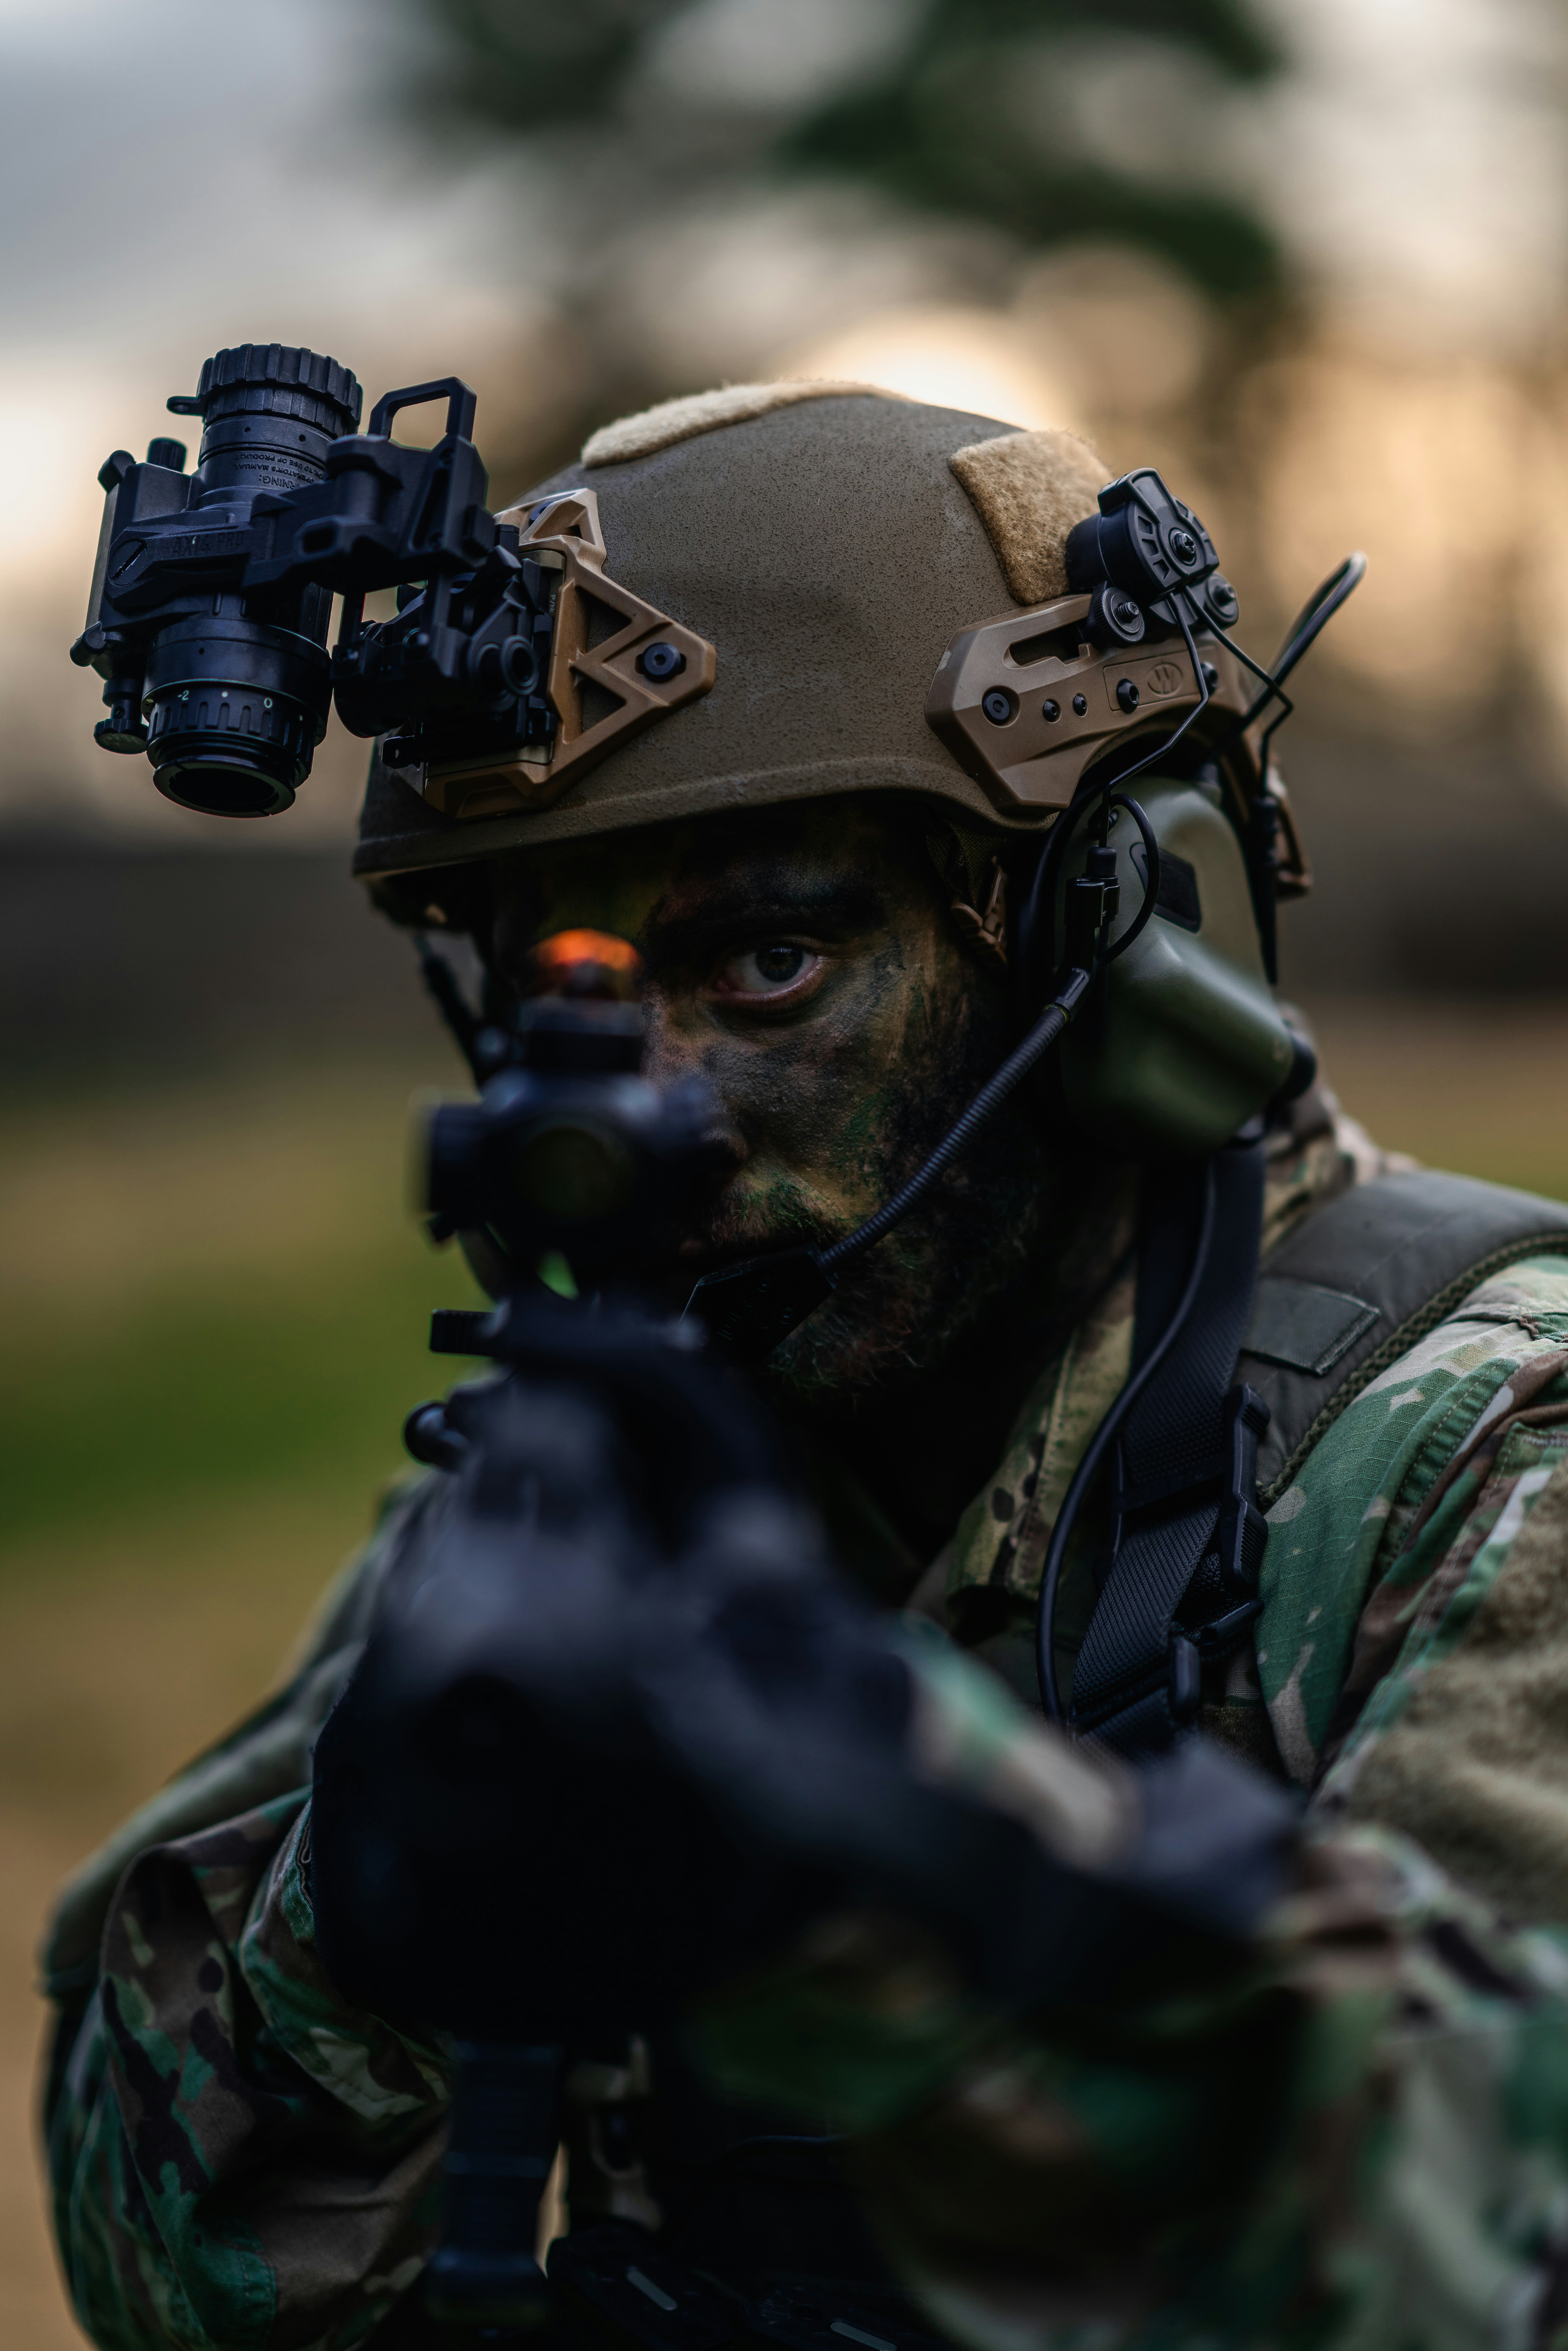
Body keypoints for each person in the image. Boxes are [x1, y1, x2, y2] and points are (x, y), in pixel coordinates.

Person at [40, 385, 1568, 2351]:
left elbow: (1497, 2253)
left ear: (1119, 929)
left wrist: (901, 1872)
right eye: (555, 1003)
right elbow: (156, 2283)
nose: (647, 1119)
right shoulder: (614, 1480)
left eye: (766, 963)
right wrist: (355, 1925)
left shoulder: (1479, 1455)